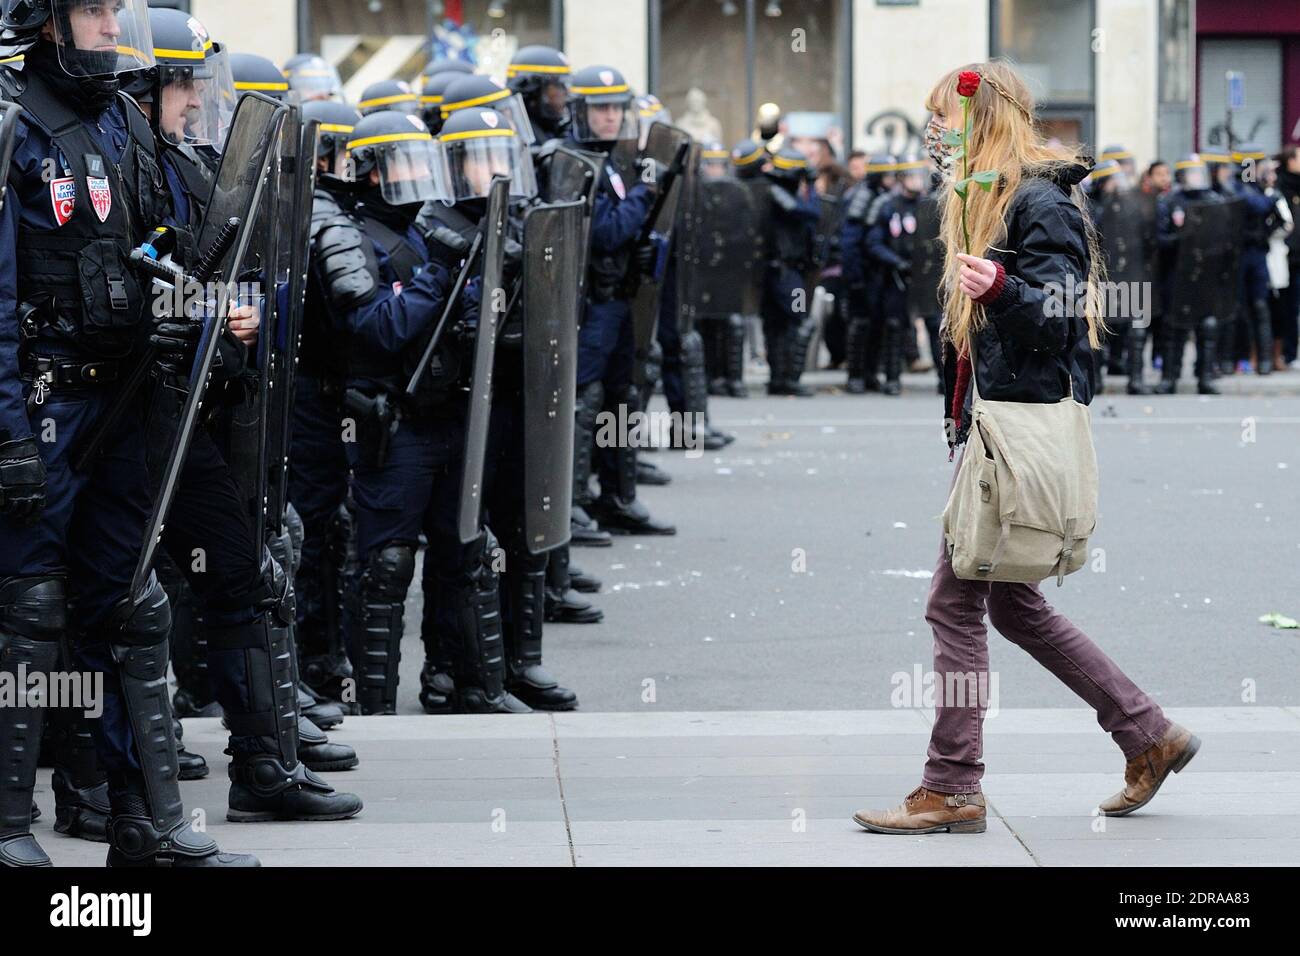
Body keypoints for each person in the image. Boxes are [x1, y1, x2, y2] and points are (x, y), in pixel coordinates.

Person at [853, 62, 1198, 835]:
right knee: (1009, 602)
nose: (937, 135)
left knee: (956, 602)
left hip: (1017, 430)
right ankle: (1146, 733)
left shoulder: (1039, 199)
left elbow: (1064, 316)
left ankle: (953, 786)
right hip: (993, 430)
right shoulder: (983, 198)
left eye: (945, 117)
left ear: (987, 116)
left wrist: (1002, 293)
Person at [0, 0, 255, 867]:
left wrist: (184, 299)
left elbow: (156, 242)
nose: (113, 26)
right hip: (42, 403)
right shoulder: (11, 125)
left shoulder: (121, 120)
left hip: (127, 399)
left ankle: (146, 826)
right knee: (30, 610)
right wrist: (6, 435)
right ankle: (6, 827)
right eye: (96, 10)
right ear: (46, 20)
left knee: (132, 605)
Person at [420, 106, 577, 711]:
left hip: (516, 396)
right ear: (455, 163)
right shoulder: (437, 224)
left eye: (501, 155)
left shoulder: (514, 224)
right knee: (462, 538)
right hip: (459, 405)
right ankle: (454, 671)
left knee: (523, 530)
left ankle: (519, 662)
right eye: (480, 155)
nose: (494, 167)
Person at [566, 64, 674, 535]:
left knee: (620, 398)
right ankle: (571, 504)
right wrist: (644, 194)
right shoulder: (573, 160)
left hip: (618, 299)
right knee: (582, 402)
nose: (610, 117)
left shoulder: (608, 161)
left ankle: (616, 496)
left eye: (616, 107)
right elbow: (606, 232)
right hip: (592, 304)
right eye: (599, 108)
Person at [865, 154, 928, 396]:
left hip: (924, 275)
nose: (918, 181)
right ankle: (892, 378)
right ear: (901, 178)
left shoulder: (928, 204)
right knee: (894, 327)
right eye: (912, 175)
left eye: (920, 175)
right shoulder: (887, 205)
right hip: (896, 277)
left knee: (935, 324)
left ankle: (945, 384)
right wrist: (896, 262)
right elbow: (873, 243)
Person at [760, 147, 820, 396]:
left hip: (785, 272)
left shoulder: (780, 192)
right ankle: (787, 379)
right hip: (785, 275)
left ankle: (781, 378)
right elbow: (809, 213)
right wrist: (813, 187)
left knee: (781, 324)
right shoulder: (776, 192)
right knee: (797, 322)